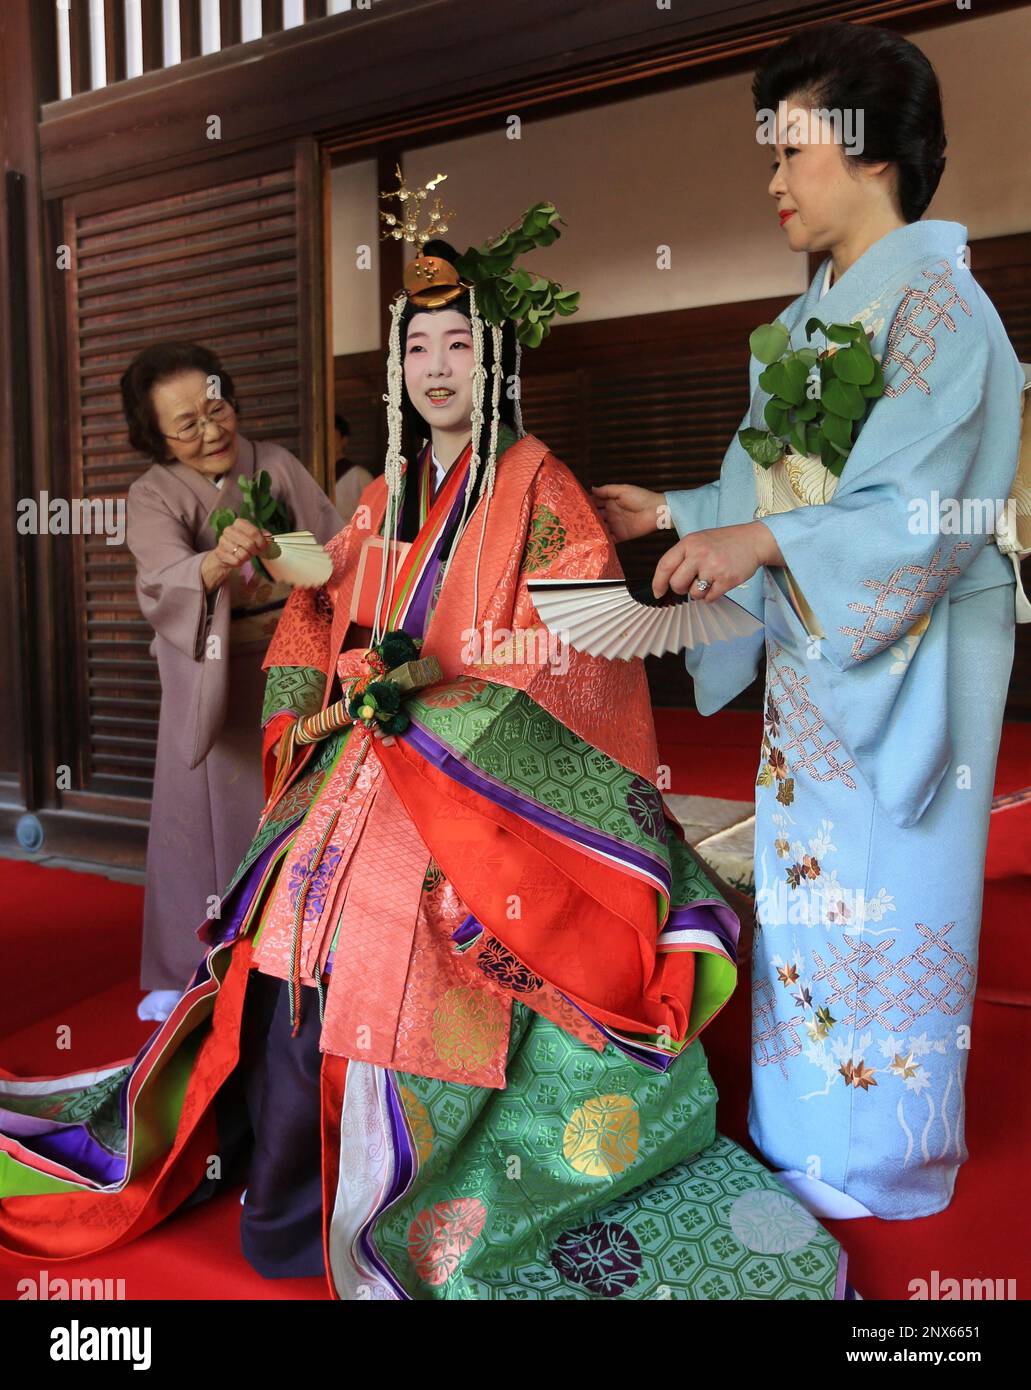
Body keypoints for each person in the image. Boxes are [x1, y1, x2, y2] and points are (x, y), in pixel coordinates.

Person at [0, 179, 853, 1300]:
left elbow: (574, 654)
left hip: (481, 791)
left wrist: (434, 704)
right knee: (276, 930)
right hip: (365, 755)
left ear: (493, 361)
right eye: (418, 348)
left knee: (381, 934)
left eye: (459, 344)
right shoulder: (390, 487)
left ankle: (391, 1193)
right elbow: (324, 606)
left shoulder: (540, 483)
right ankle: (275, 1180)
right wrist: (335, 660)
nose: (438, 367)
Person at [593, 22, 1023, 1222]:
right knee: (804, 882)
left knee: (893, 887)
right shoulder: (804, 326)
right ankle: (800, 1132)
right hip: (817, 655)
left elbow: (922, 514)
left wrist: (764, 541)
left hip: (913, 651)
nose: (773, 179)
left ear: (872, 151)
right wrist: (677, 510)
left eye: (790, 150)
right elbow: (765, 484)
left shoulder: (942, 311)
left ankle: (883, 1157)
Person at [122, 342, 343, 1022]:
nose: (210, 431)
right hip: (211, 664)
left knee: (302, 802)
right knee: (199, 818)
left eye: (214, 409)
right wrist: (213, 564)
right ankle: (182, 966)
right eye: (185, 425)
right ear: (155, 437)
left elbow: (338, 549)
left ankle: (303, 950)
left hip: (295, 658)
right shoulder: (153, 492)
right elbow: (160, 582)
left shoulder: (274, 465)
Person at [332, 413, 374, 522]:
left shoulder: (360, 476)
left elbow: (372, 517)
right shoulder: (313, 475)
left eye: (331, 436)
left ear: (344, 440)